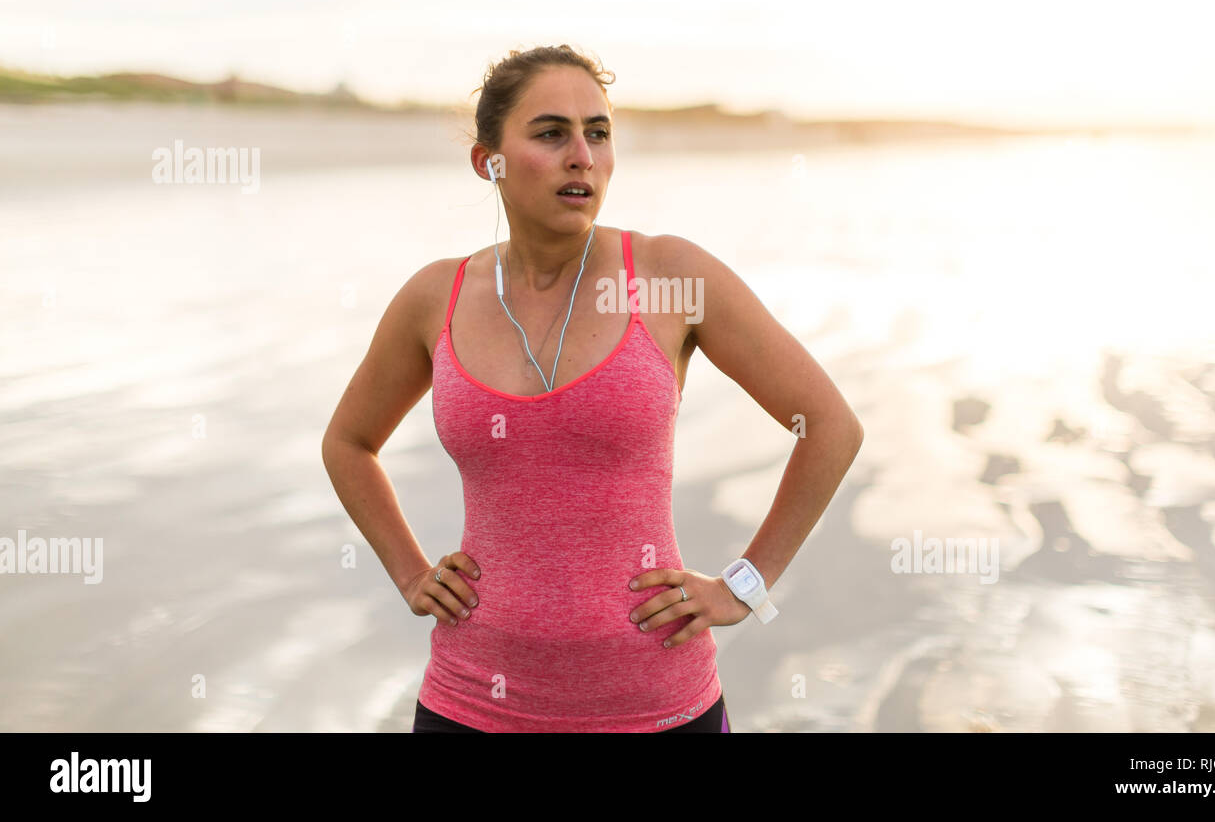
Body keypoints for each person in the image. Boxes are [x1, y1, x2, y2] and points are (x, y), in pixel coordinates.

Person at [321, 44, 864, 732]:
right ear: (489, 160)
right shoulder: (436, 297)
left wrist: (744, 584)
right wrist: (408, 572)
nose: (582, 154)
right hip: (469, 703)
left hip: (658, 707)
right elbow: (348, 442)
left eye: (598, 133)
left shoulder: (668, 275)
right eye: (551, 133)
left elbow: (827, 424)